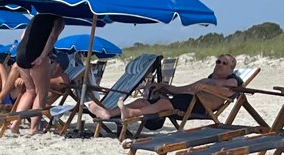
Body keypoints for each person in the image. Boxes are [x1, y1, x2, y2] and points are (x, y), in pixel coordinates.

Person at [85, 53, 242, 124]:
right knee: (143, 101)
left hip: (200, 107)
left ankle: (131, 113)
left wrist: (208, 88)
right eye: (218, 62)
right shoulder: (207, 79)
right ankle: (109, 113)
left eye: (224, 63)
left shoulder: (232, 81)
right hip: (187, 101)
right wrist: (165, 87)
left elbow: (227, 92)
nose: (220, 65)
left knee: (164, 104)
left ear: (231, 68)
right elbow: (182, 89)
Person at [12, 13, 65, 133]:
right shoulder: (58, 19)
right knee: (41, 93)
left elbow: (23, 36)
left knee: (30, 91)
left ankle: (15, 124)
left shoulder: (36, 17)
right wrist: (43, 55)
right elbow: (53, 37)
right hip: (37, 54)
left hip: (21, 53)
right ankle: (33, 128)